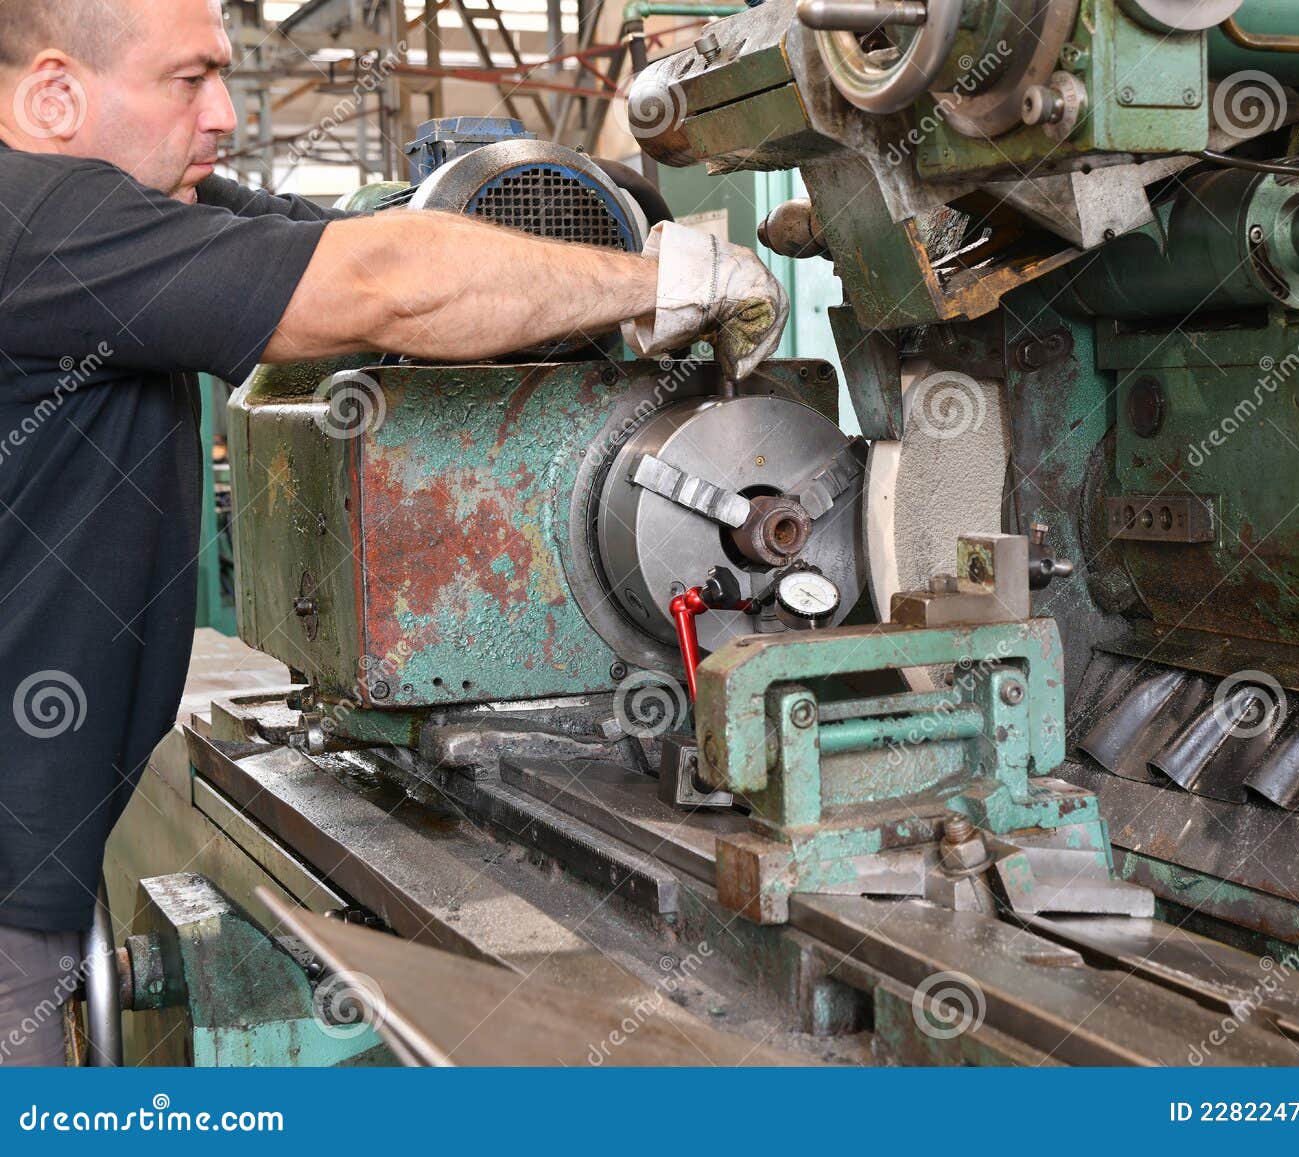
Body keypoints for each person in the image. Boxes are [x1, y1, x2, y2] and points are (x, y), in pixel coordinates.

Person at [0, 0, 787, 1065]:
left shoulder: (108, 217)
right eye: (190, 80)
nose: (225, 114)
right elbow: (379, 285)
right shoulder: (32, 221)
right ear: (54, 95)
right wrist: (669, 282)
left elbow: (351, 234)